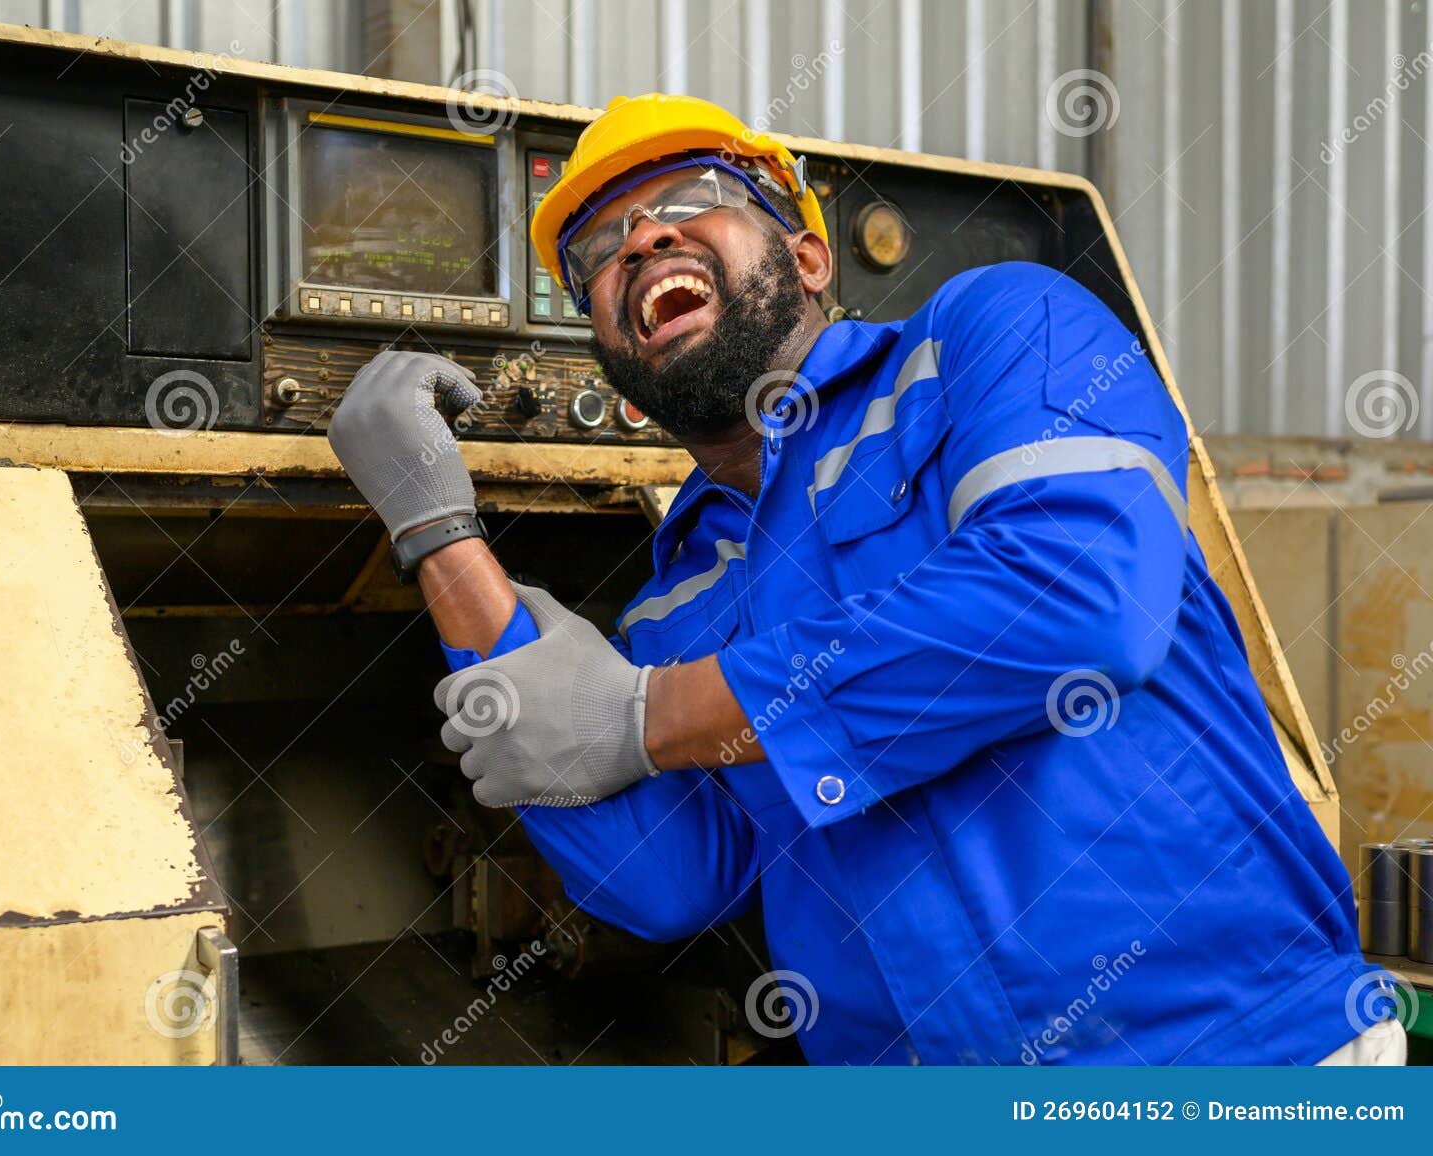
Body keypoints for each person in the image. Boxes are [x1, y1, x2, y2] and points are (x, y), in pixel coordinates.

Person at [329, 93, 1400, 1066]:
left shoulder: (999, 333)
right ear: (607, 347)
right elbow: (665, 880)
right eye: (597, 250)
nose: (640, 238)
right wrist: (440, 537)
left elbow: (1078, 598)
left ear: (805, 258)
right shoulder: (675, 597)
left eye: (690, 198)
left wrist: (654, 713)